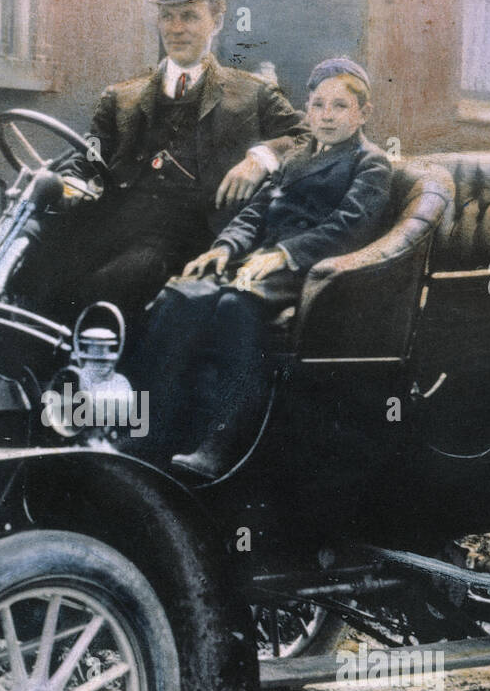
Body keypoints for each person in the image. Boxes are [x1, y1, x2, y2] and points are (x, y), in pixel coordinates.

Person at [147, 57, 393, 480]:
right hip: (260, 262)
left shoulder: (370, 164)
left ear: (363, 113)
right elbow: (256, 211)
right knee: (180, 297)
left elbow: (348, 227)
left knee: (235, 305)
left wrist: (282, 255)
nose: (326, 116)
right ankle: (154, 428)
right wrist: (224, 248)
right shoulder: (296, 158)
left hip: (314, 272)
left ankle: (224, 439)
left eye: (339, 106)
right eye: (317, 105)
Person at [40, 0, 312, 328]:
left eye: (189, 16)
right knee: (28, 260)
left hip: (193, 240)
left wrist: (262, 157)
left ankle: (91, 376)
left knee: (118, 280)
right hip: (113, 225)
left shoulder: (252, 95)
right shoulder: (122, 97)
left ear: (216, 20)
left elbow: (306, 137)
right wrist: (73, 180)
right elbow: (89, 155)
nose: (176, 28)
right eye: (167, 16)